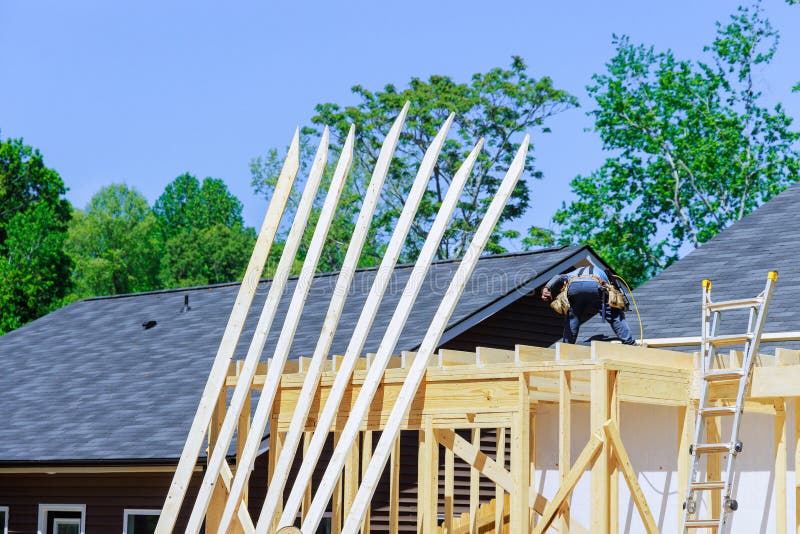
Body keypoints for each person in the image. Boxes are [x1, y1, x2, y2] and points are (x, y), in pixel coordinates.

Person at [540, 265, 636, 345]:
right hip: (595, 285)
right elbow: (615, 296)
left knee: (573, 318)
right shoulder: (602, 273)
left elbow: (558, 277)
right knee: (614, 314)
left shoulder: (573, 273)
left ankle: (567, 347)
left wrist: (547, 288)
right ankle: (630, 343)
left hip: (573, 288)